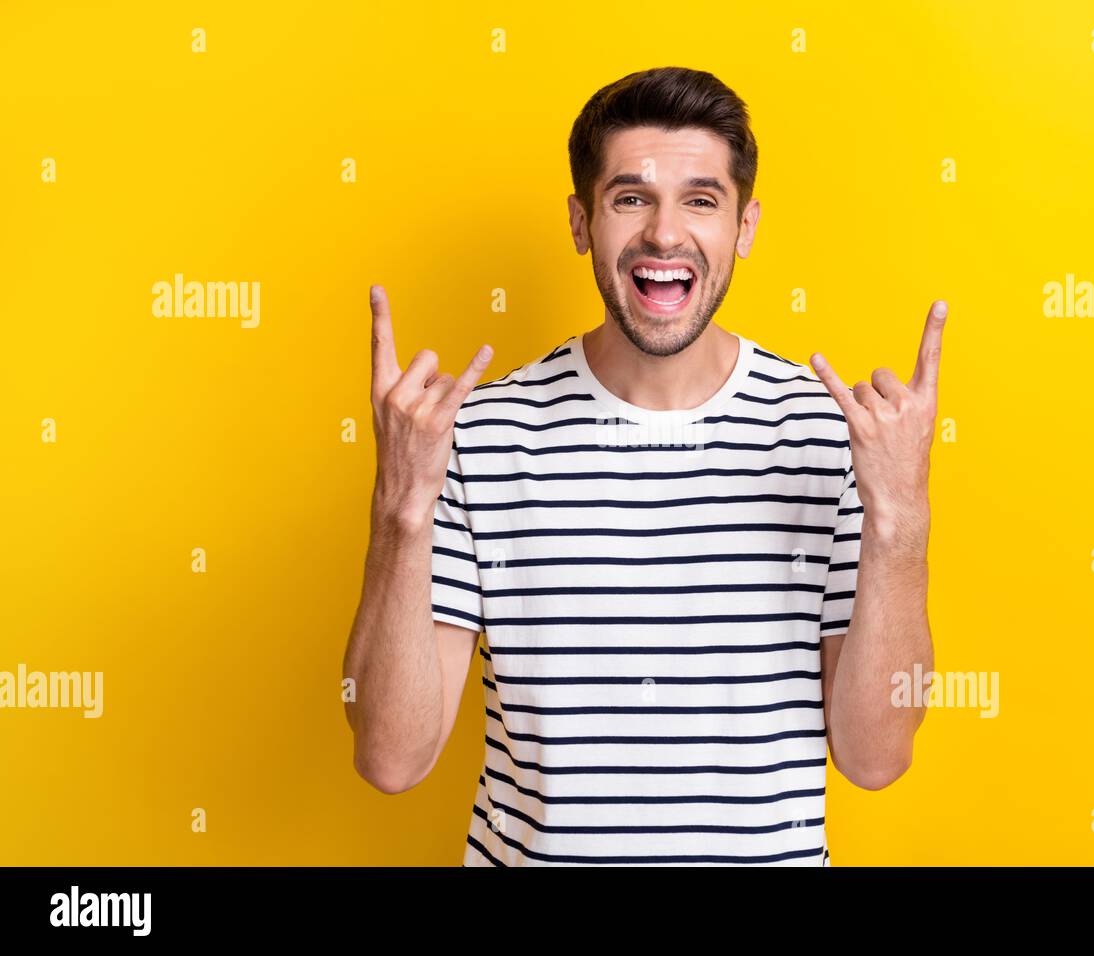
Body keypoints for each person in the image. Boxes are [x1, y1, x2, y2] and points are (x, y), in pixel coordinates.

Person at [343, 66, 945, 866]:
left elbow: (877, 759)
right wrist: (399, 508)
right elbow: (392, 756)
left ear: (746, 226)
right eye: (631, 198)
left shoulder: (831, 438)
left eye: (701, 200)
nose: (665, 234)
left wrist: (899, 519)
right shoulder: (477, 434)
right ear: (581, 221)